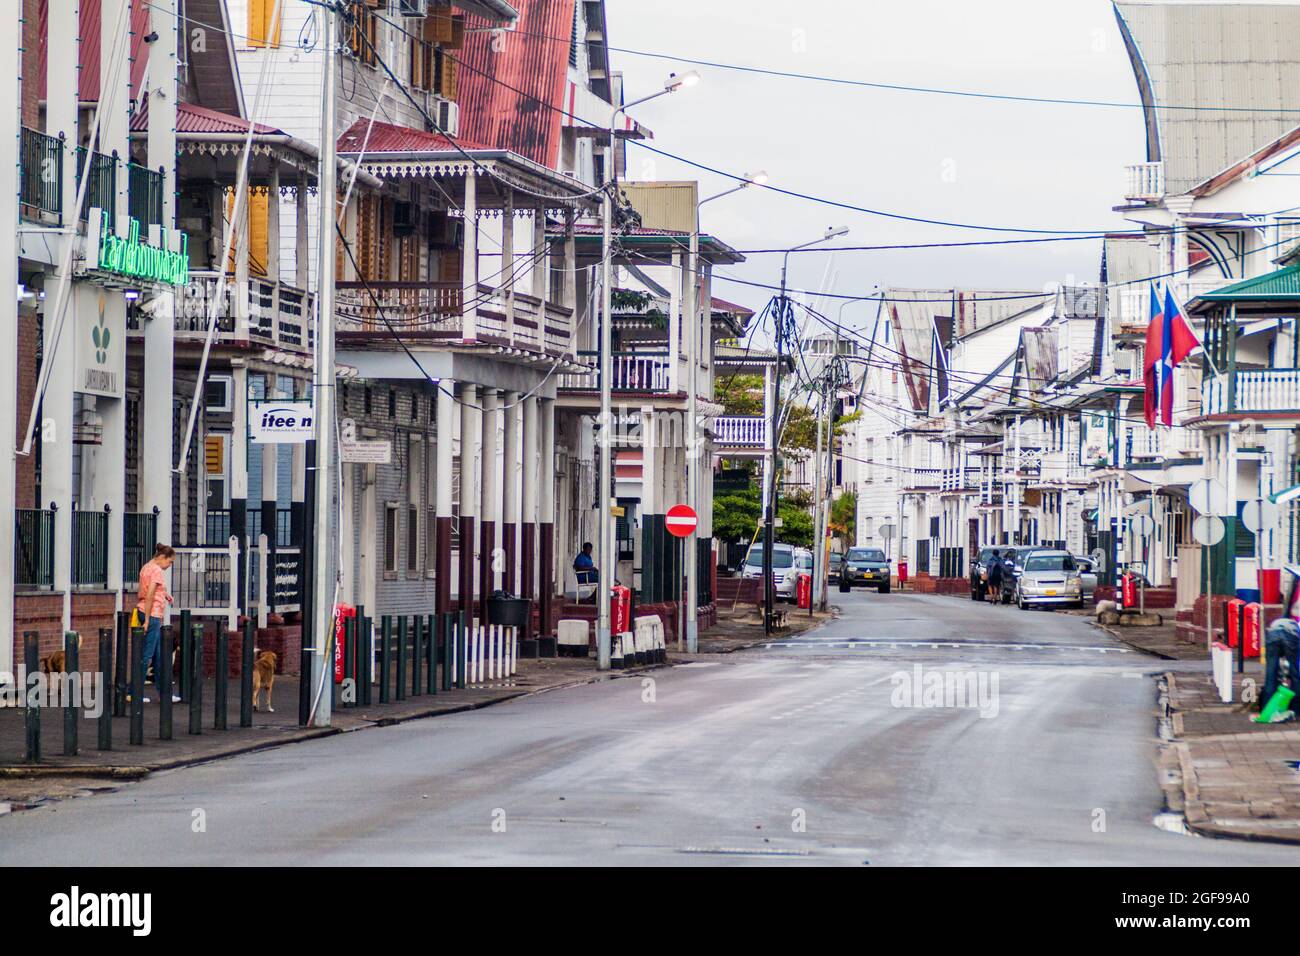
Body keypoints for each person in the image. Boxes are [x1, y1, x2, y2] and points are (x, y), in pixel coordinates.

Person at [134, 543, 179, 703]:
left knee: (160, 656)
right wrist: (146, 620)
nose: (170, 565)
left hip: (147, 612)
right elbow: (150, 594)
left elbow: (147, 589)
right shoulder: (157, 571)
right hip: (151, 615)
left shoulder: (146, 567)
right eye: (170, 561)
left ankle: (164, 693)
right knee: (147, 655)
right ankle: (135, 692)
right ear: (162, 558)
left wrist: (165, 594)